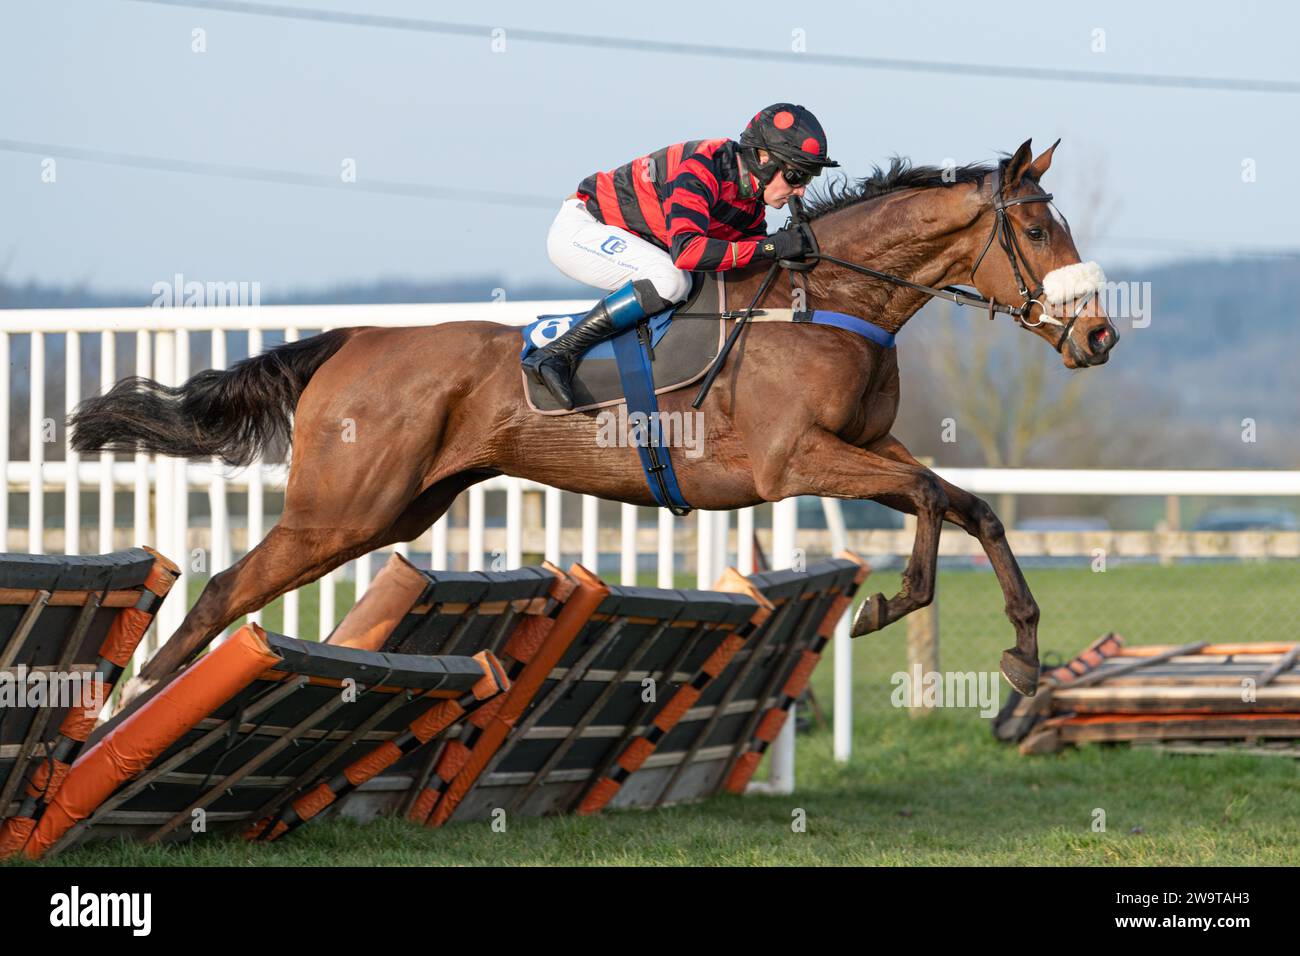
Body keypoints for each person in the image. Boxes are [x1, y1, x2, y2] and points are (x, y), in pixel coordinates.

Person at [523, 103, 839, 409]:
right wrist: (772, 246)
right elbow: (689, 252)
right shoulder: (702, 167)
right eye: (796, 177)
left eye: (808, 180)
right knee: (671, 280)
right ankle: (554, 354)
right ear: (763, 158)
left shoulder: (750, 206)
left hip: (636, 240)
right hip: (581, 231)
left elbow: (744, 263)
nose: (800, 191)